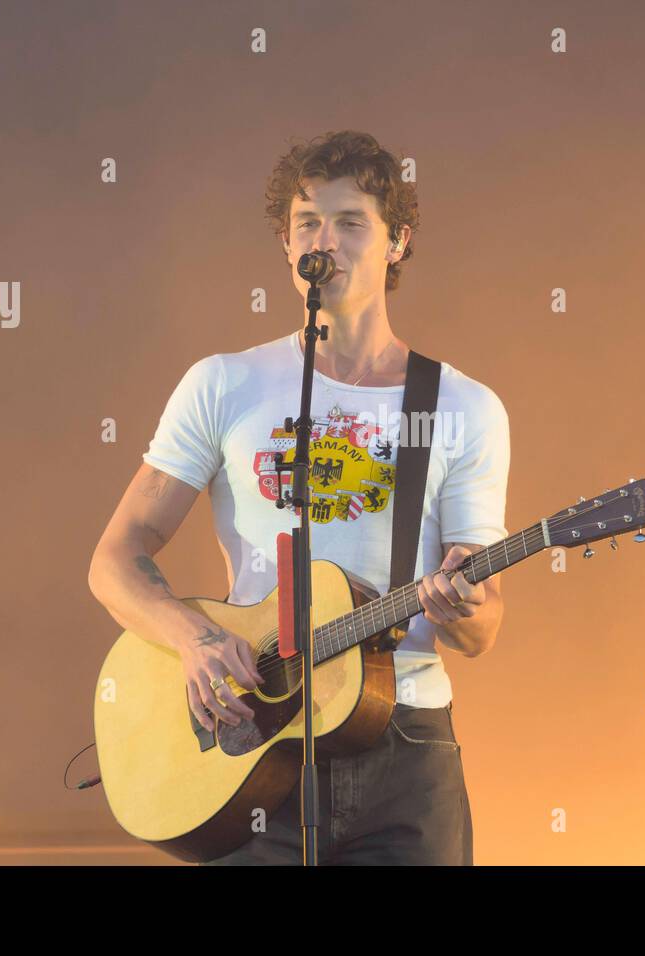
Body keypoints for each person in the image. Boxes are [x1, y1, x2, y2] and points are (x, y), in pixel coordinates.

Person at [88, 130, 510, 865]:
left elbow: (481, 632)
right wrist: (196, 638)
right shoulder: (225, 383)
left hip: (405, 746)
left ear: (397, 242)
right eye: (308, 223)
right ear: (287, 247)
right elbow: (115, 561)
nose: (327, 241)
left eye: (352, 223)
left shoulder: (461, 407)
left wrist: (466, 605)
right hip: (257, 748)